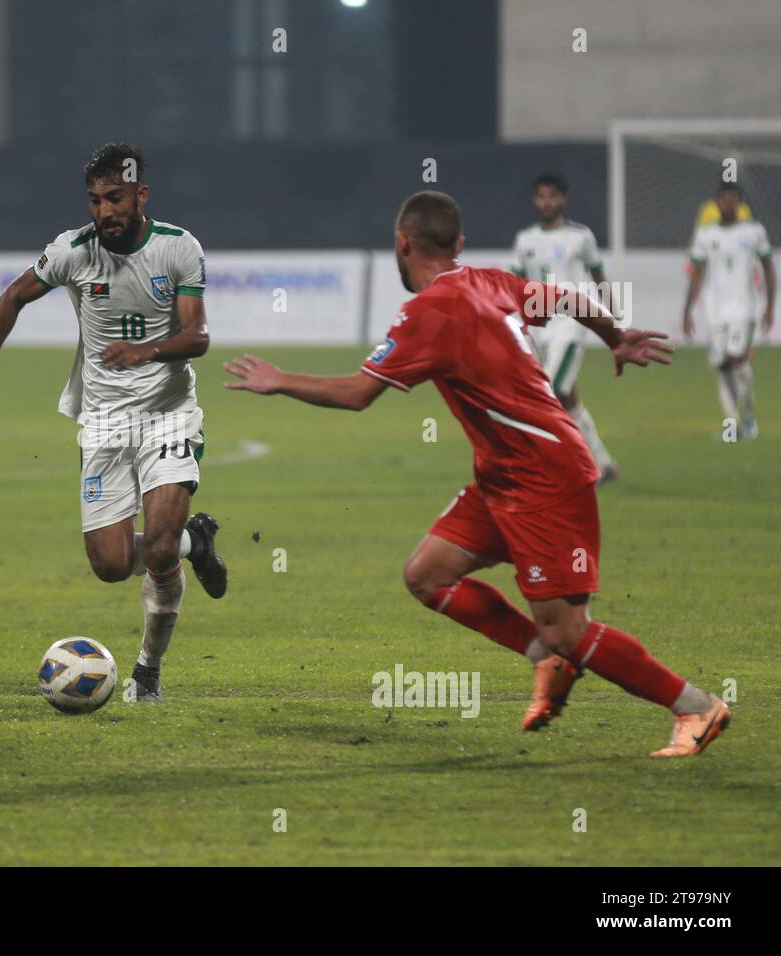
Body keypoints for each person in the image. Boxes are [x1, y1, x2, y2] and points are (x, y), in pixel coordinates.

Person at [224, 190, 729, 758]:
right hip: (504, 477)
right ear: (459, 244)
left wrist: (279, 378)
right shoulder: (491, 281)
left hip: (544, 476)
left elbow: (359, 394)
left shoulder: (428, 312)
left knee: (569, 627)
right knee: (428, 574)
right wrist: (615, 336)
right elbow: (565, 296)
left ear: (402, 243)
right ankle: (546, 659)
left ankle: (694, 705)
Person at [0, 143, 228, 704]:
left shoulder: (179, 247)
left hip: (167, 416)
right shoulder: (73, 251)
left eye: (115, 198)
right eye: (95, 200)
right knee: (109, 565)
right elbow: (12, 297)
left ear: (140, 195)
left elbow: (198, 337)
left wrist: (145, 352)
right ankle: (192, 543)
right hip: (103, 423)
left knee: (153, 552)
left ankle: (148, 671)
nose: (104, 211)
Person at [510, 173, 618, 482]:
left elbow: (599, 277)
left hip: (570, 324)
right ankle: (603, 461)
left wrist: (612, 321)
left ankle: (575, 468)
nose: (547, 202)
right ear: (535, 200)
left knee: (551, 391)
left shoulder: (580, 237)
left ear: (563, 200)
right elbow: (514, 285)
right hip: (537, 328)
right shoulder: (525, 240)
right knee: (567, 397)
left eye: (552, 196)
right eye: (541, 196)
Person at [683, 182, 774, 440]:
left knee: (737, 359)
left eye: (733, 199)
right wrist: (687, 310)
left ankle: (749, 419)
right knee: (722, 365)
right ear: (716, 203)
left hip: (744, 308)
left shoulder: (754, 231)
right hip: (715, 311)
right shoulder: (705, 235)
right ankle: (732, 425)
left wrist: (769, 306)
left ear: (740, 203)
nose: (728, 203)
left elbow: (768, 267)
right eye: (723, 199)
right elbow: (696, 275)